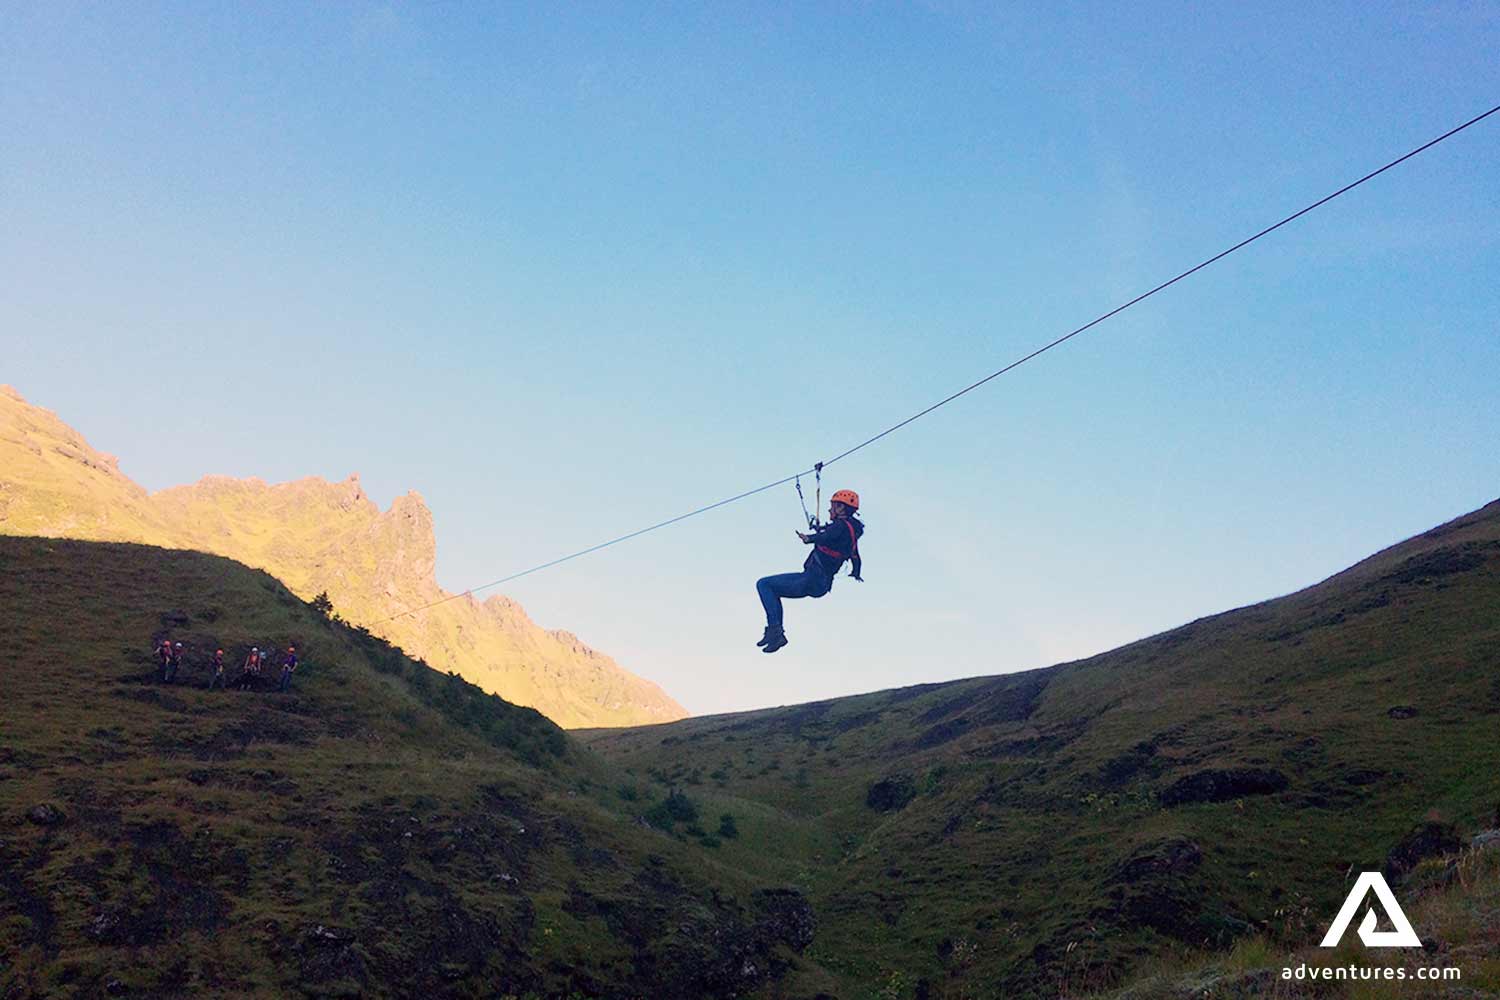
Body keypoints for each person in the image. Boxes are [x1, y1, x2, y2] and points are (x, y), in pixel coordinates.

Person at [755, 489, 865, 654]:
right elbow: (853, 555)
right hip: (821, 584)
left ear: (841, 508)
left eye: (833, 506)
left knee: (764, 584)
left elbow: (829, 536)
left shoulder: (841, 526)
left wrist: (810, 538)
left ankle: (775, 632)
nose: (829, 509)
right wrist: (856, 573)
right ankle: (775, 632)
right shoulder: (849, 531)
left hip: (812, 579)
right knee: (771, 588)